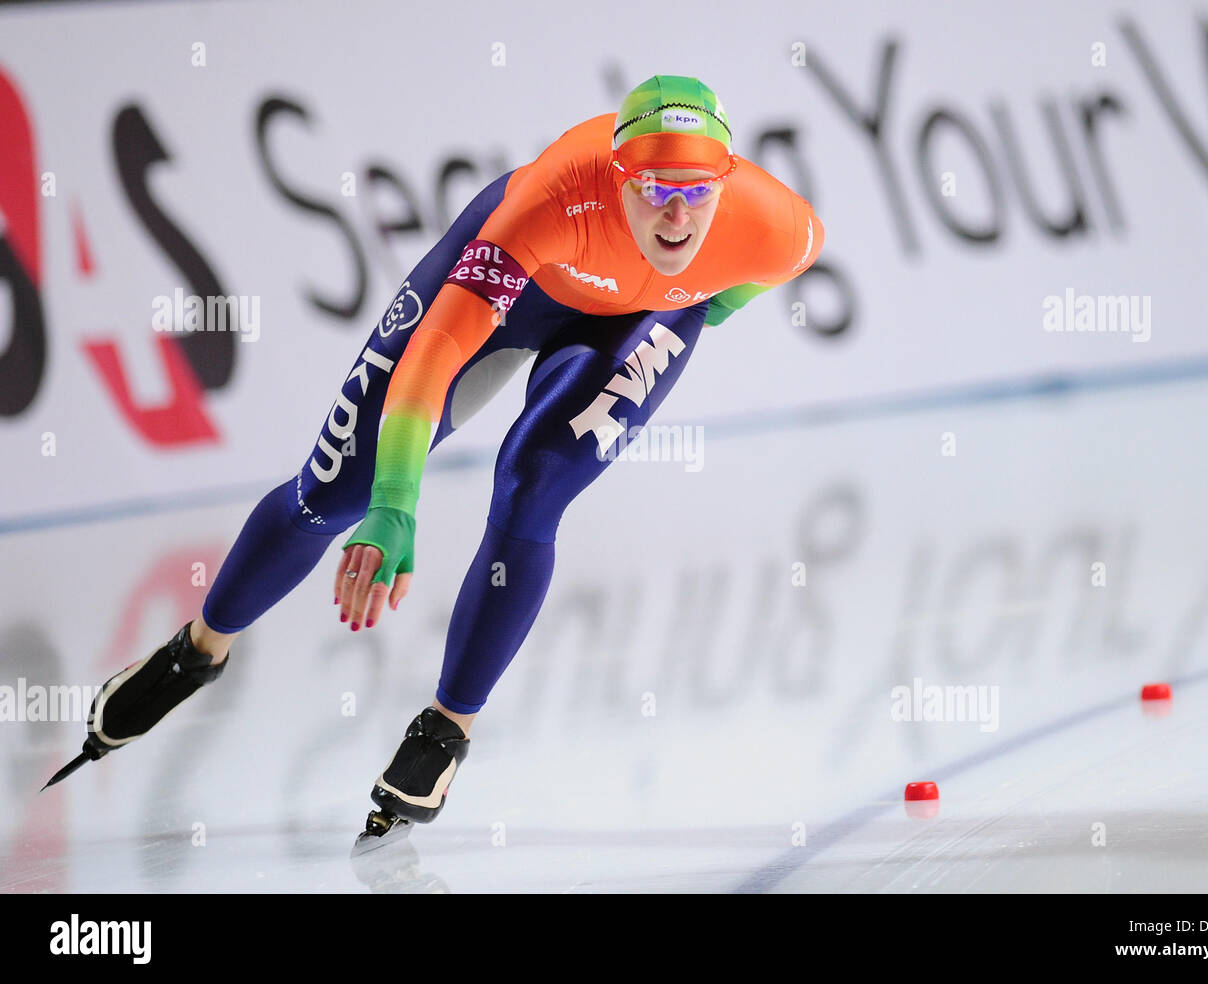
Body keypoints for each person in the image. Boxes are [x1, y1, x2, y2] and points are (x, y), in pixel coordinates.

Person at [47, 75, 826, 838]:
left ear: (728, 182)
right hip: (523, 284)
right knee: (332, 491)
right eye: (656, 188)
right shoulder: (552, 201)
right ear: (620, 176)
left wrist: (711, 303)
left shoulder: (771, 223)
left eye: (698, 189)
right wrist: (394, 505)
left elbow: (792, 257)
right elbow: (433, 356)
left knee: (534, 487)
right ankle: (199, 651)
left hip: (645, 316)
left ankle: (447, 731)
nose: (679, 213)